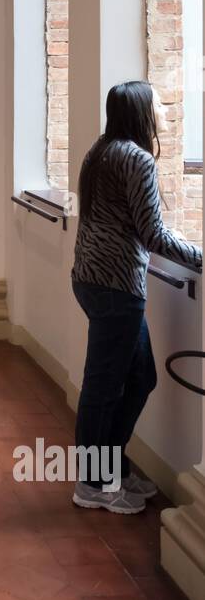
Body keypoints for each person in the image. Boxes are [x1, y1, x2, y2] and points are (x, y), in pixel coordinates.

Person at [71, 81, 202, 514]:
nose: (164, 110)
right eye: (159, 104)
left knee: (140, 378)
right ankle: (92, 484)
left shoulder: (101, 150)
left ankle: (114, 468)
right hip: (115, 287)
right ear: (142, 112)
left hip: (92, 280)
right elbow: (153, 235)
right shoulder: (137, 159)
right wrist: (199, 256)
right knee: (103, 387)